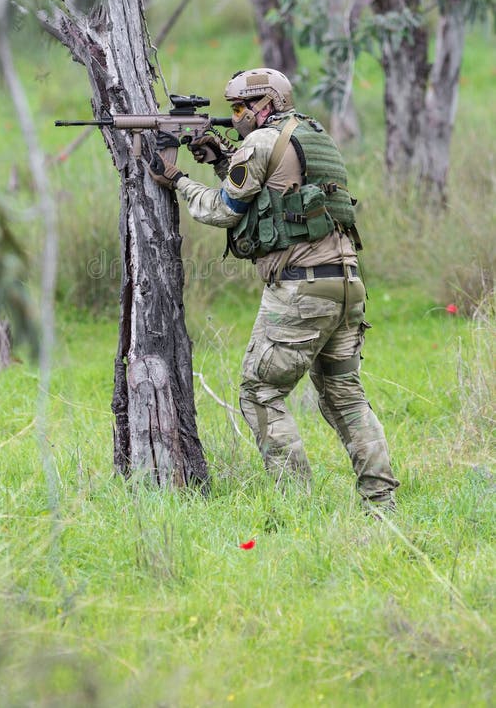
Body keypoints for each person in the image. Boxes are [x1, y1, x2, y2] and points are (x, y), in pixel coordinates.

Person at [149, 68, 398, 512]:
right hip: (346, 284)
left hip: (302, 289)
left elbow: (224, 211)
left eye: (243, 107)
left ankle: (296, 502)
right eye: (233, 109)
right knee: (346, 396)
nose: (237, 116)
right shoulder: (311, 134)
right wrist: (224, 160)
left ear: (268, 104)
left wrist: (178, 180)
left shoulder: (261, 141)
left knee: (259, 392)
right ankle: (381, 501)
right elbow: (279, 198)